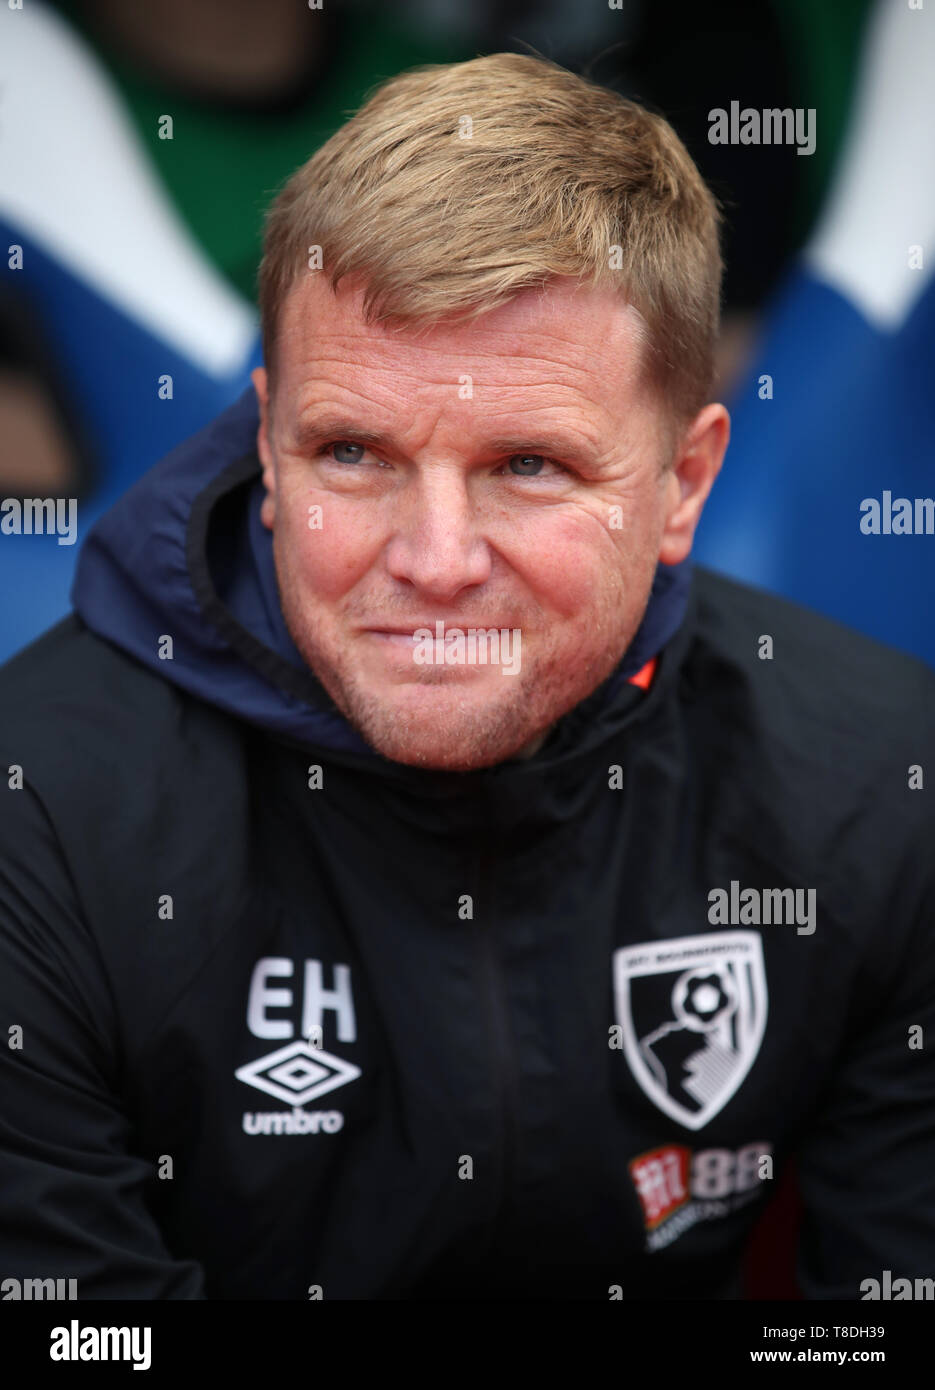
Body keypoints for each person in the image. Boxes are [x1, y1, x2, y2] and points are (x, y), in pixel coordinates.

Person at [0, 53, 932, 1302]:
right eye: (352, 453)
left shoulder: (874, 777)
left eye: (528, 466)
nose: (434, 564)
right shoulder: (41, 811)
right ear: (269, 446)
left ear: (684, 483)